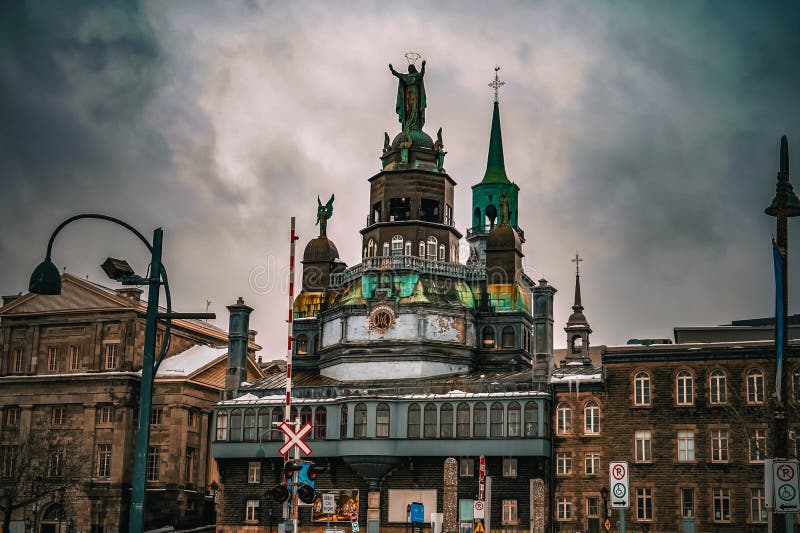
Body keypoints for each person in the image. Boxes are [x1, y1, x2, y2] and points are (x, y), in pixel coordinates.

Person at [389, 60, 427, 130]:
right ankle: (408, 123)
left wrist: (423, 66)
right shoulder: (405, 76)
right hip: (407, 94)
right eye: (409, 68)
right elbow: (398, 75)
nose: (410, 69)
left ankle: (415, 124)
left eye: (411, 68)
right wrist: (392, 70)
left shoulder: (417, 76)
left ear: (414, 69)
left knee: (414, 107)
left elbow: (422, 74)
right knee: (408, 108)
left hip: (415, 93)